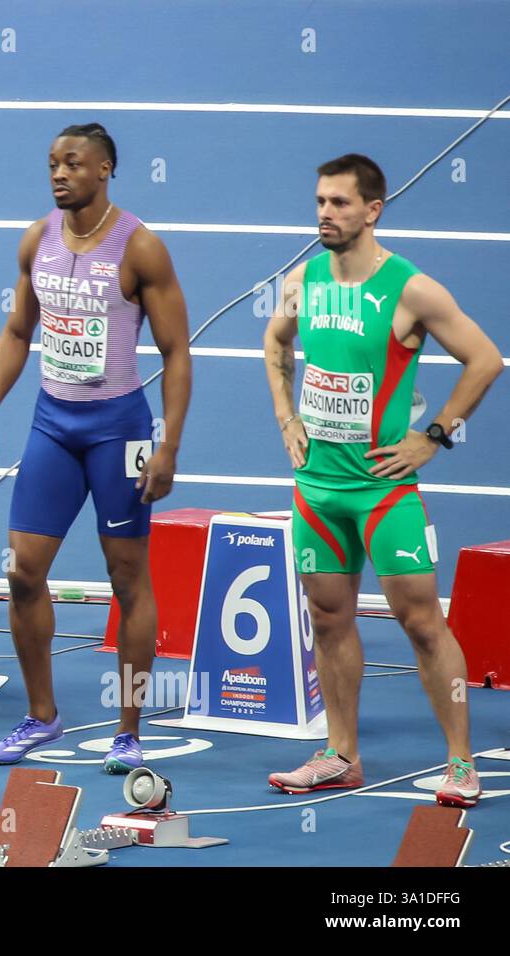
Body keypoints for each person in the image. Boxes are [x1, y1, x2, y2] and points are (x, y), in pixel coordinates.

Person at [264, 153, 502, 807]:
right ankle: (341, 754)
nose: (325, 214)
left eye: (339, 203)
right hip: (317, 491)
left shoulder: (410, 290)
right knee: (328, 618)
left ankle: (460, 761)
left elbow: (484, 359)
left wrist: (434, 436)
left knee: (422, 623)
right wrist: (286, 415)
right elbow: (275, 343)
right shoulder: (303, 279)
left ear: (373, 209)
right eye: (319, 201)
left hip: (383, 492)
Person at [0, 123, 192, 770]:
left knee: (127, 577)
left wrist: (168, 445)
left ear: (105, 170)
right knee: (21, 571)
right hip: (51, 425)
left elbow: (176, 353)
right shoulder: (36, 239)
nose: (59, 173)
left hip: (119, 430)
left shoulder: (140, 248)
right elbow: (17, 332)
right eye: (52, 164)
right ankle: (42, 715)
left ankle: (128, 727)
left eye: (73, 163)